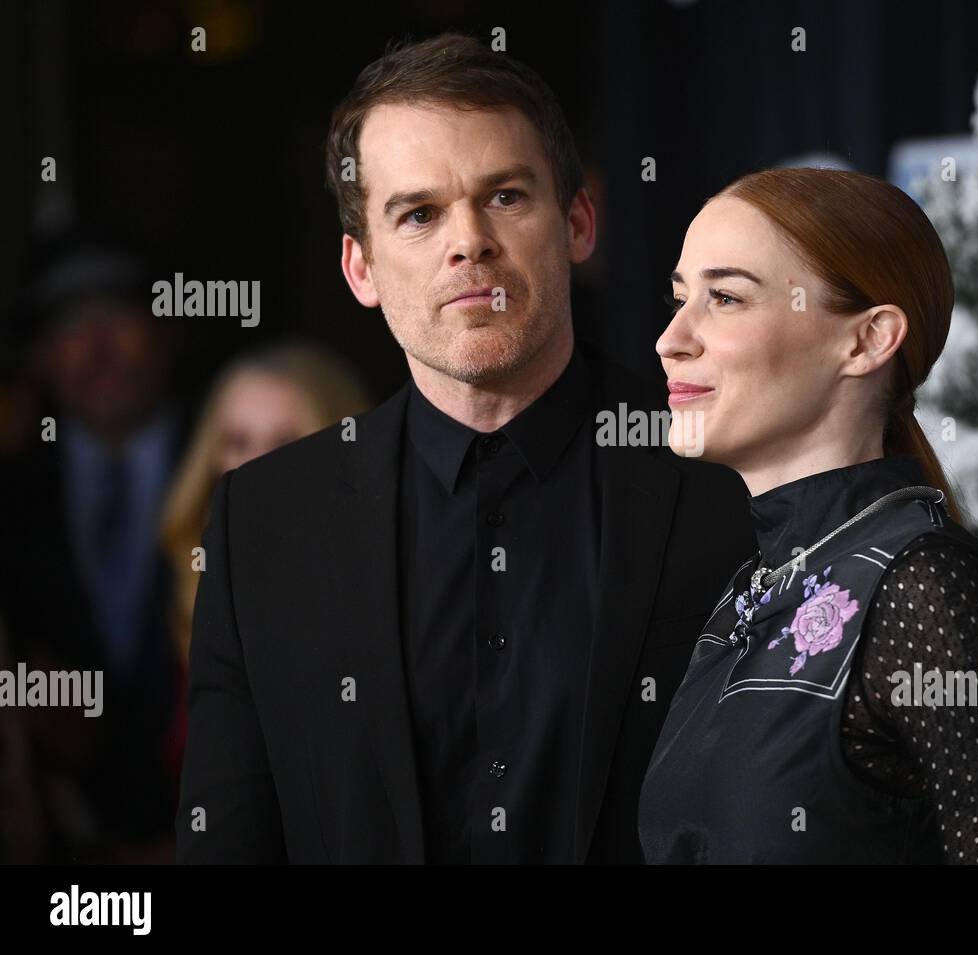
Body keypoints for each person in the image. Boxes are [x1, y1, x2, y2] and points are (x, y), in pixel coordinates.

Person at [174, 34, 755, 864]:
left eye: (506, 196)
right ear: (361, 269)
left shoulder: (727, 474)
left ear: (579, 221)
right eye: (419, 214)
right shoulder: (264, 522)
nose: (469, 241)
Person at [638, 167, 978, 864]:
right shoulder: (750, 587)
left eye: (725, 297)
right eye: (681, 297)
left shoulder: (929, 586)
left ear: (867, 341)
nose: (672, 338)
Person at [0, 240, 188, 863]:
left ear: (167, 332)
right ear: (39, 357)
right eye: (72, 324)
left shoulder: (238, 458)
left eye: (119, 315)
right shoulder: (11, 493)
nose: (98, 345)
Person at [158, 342, 371, 803]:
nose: (255, 466)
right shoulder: (179, 586)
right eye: (237, 442)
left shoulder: (379, 601)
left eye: (285, 442)